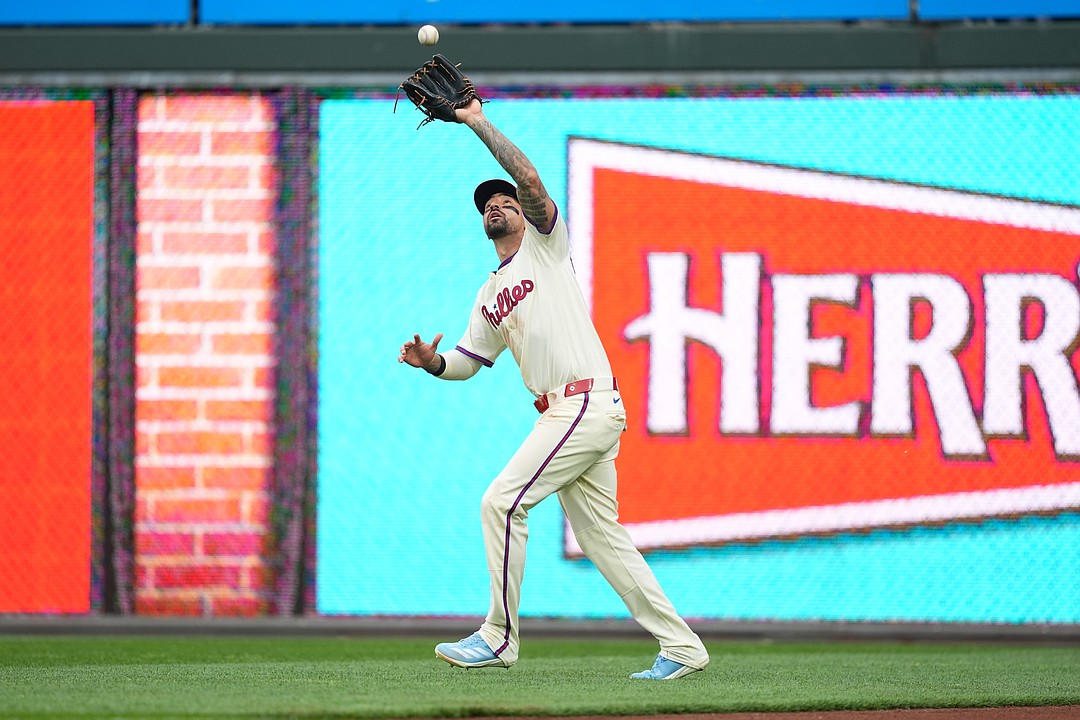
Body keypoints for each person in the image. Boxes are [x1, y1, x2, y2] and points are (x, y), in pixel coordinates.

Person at [397, 96, 710, 681]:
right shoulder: (489, 293)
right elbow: (470, 361)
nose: (496, 205)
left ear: (522, 211)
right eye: (486, 205)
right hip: (566, 410)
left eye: (504, 200)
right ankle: (683, 647)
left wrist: (476, 121)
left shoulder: (546, 245)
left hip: (584, 401)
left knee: (501, 502)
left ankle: (498, 636)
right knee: (601, 540)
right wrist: (434, 362)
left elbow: (532, 179)